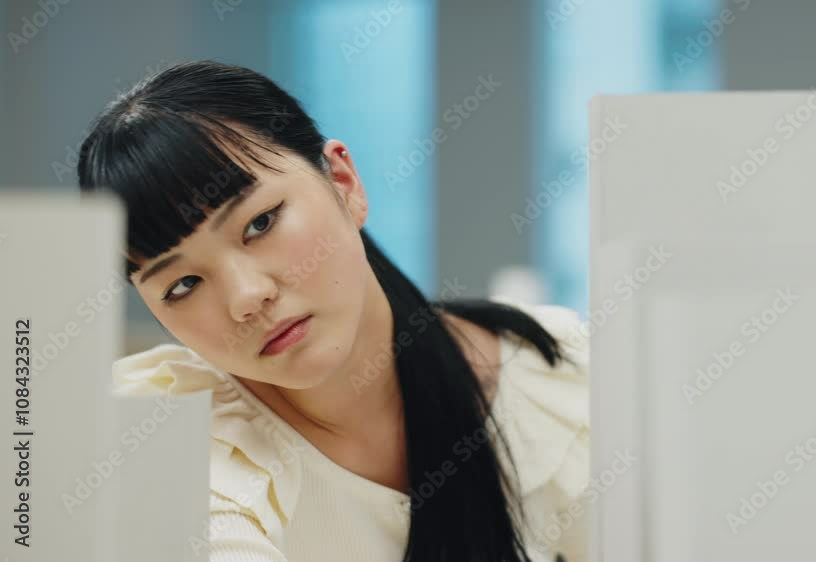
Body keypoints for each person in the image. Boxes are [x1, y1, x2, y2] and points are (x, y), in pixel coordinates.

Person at [77, 60, 590, 562]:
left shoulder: (550, 370)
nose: (246, 297)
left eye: (259, 224)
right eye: (184, 283)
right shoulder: (164, 431)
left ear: (343, 181)